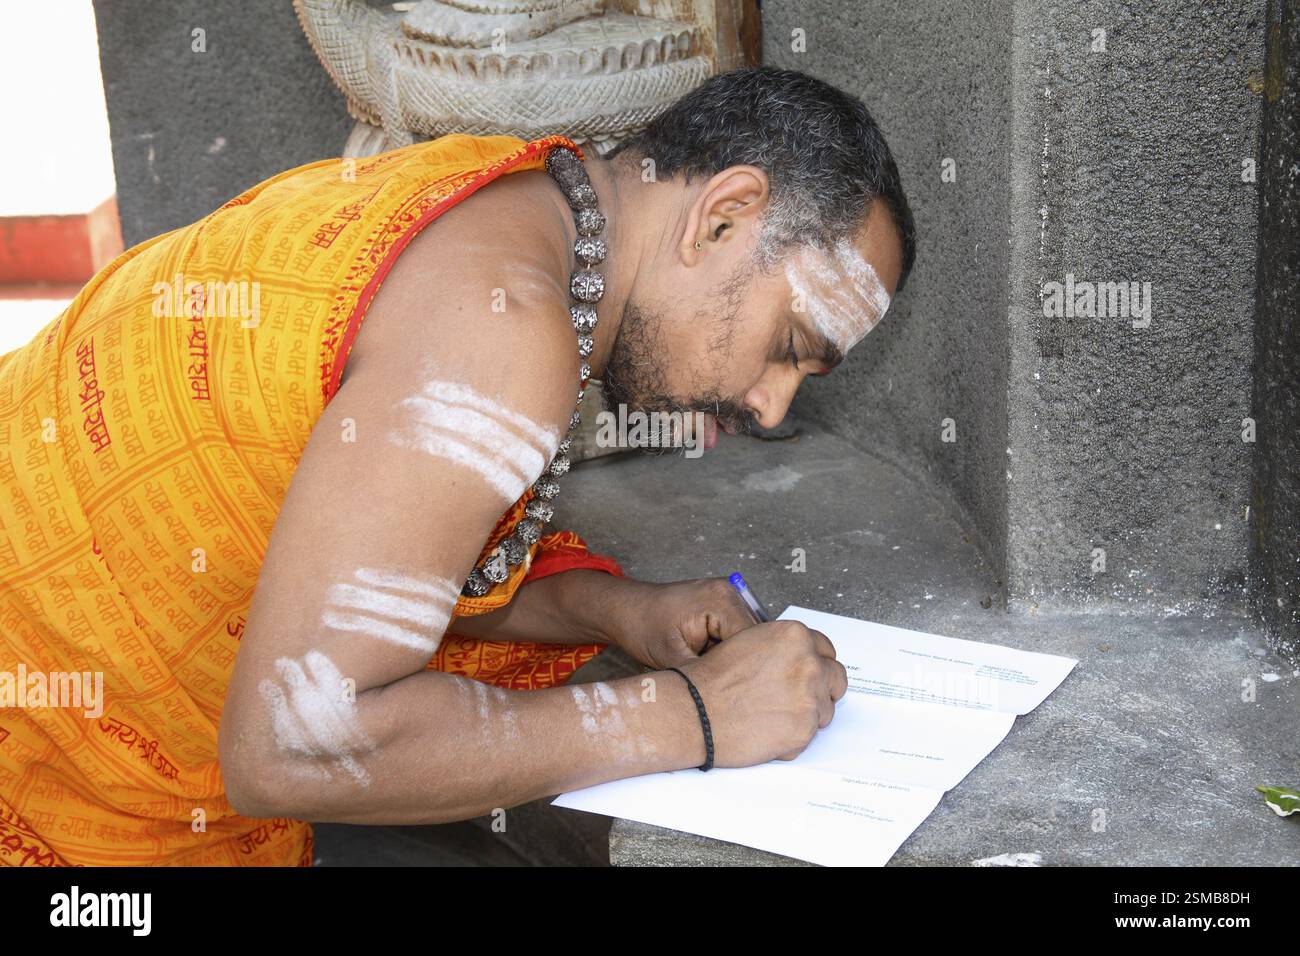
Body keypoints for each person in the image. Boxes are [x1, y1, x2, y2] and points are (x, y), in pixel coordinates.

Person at [0, 66, 915, 866]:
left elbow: (391, 557)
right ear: (722, 218)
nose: (770, 405)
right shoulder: (504, 331)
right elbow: (295, 747)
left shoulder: (507, 197)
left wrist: (622, 610)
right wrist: (694, 716)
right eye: (789, 346)